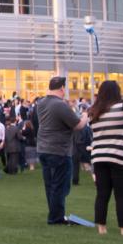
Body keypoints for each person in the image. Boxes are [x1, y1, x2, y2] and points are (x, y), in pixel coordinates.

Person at [88, 81, 123, 236]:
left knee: (102, 193)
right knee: (122, 195)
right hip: (121, 156)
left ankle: (101, 228)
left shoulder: (93, 111)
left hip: (99, 156)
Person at [34, 76, 89, 225]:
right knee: (60, 185)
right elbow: (77, 125)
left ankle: (54, 215)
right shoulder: (60, 105)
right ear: (62, 88)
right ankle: (56, 217)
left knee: (50, 184)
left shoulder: (41, 102)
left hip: (44, 148)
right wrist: (85, 115)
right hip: (59, 150)